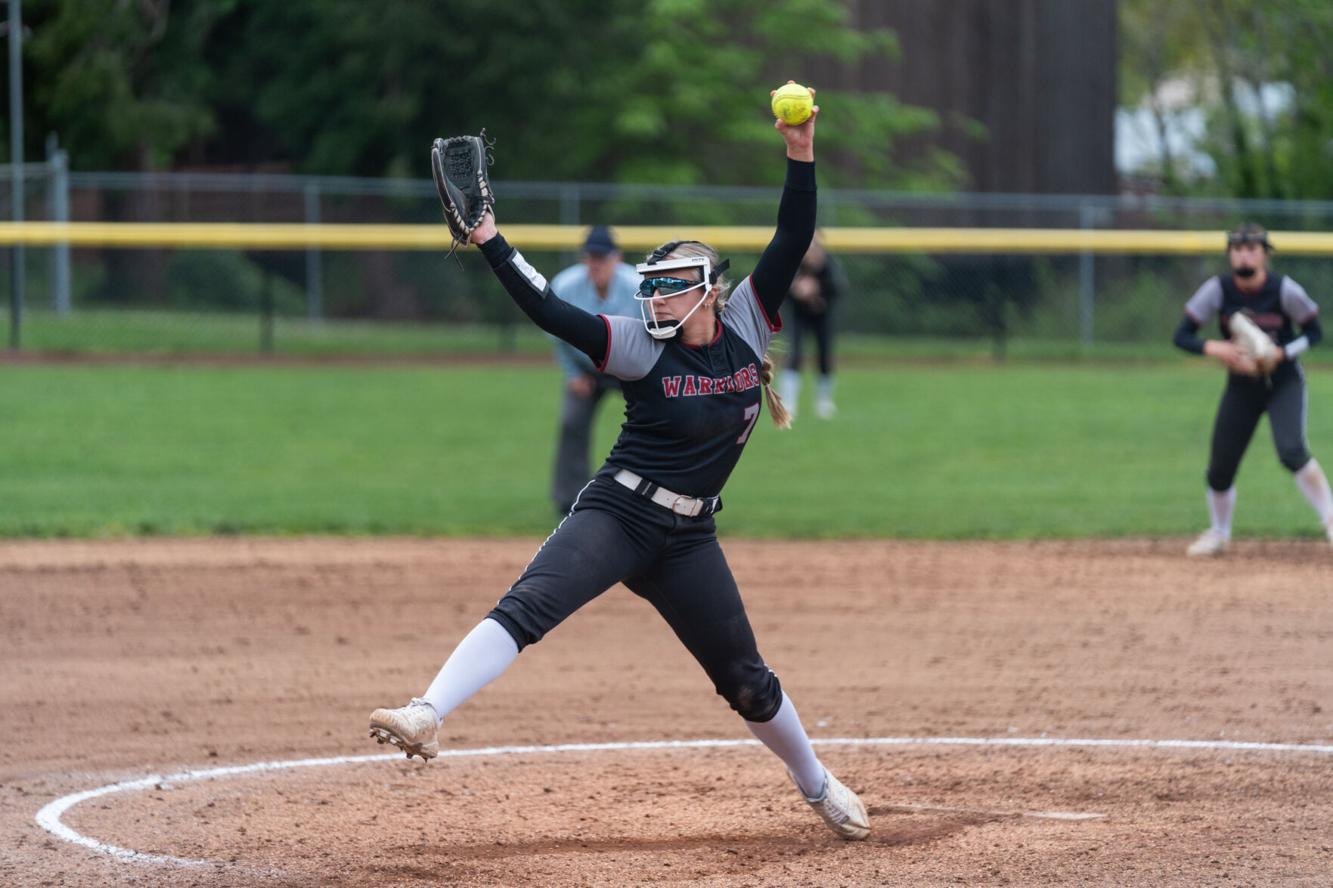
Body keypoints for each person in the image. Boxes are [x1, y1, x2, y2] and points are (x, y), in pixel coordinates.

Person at [370, 89, 871, 840]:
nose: (654, 296)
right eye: (652, 284)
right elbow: (549, 310)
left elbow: (794, 231)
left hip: (689, 539)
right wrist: (492, 240)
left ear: (707, 291)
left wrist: (798, 147)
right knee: (528, 607)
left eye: (669, 284)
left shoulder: (743, 321)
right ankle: (426, 711)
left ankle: (816, 784)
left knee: (745, 681)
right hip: (619, 513)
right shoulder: (638, 346)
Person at [1172, 222, 1331, 556]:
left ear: (1264, 255)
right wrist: (1217, 349)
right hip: (1242, 385)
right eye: (1238, 249)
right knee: (1220, 466)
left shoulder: (1283, 290)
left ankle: (1330, 521)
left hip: (1283, 381)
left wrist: (1282, 353)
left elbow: (1315, 333)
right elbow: (1182, 335)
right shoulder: (1218, 289)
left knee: (1291, 450)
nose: (1244, 254)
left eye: (1252, 248)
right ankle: (1219, 533)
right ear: (1230, 254)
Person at [548, 226, 641, 516]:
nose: (596, 263)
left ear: (617, 258)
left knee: (656, 422)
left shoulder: (636, 287)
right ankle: (570, 500)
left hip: (631, 369)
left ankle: (652, 495)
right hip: (585, 368)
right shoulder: (565, 285)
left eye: (602, 257)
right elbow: (556, 335)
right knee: (571, 422)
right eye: (591, 256)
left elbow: (650, 337)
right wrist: (572, 374)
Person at [778, 234, 844, 420]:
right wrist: (797, 289)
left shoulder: (829, 264)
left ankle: (824, 401)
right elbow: (779, 287)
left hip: (822, 316)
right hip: (799, 314)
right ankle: (788, 403)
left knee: (824, 354)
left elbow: (838, 287)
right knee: (794, 353)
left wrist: (817, 288)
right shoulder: (794, 263)